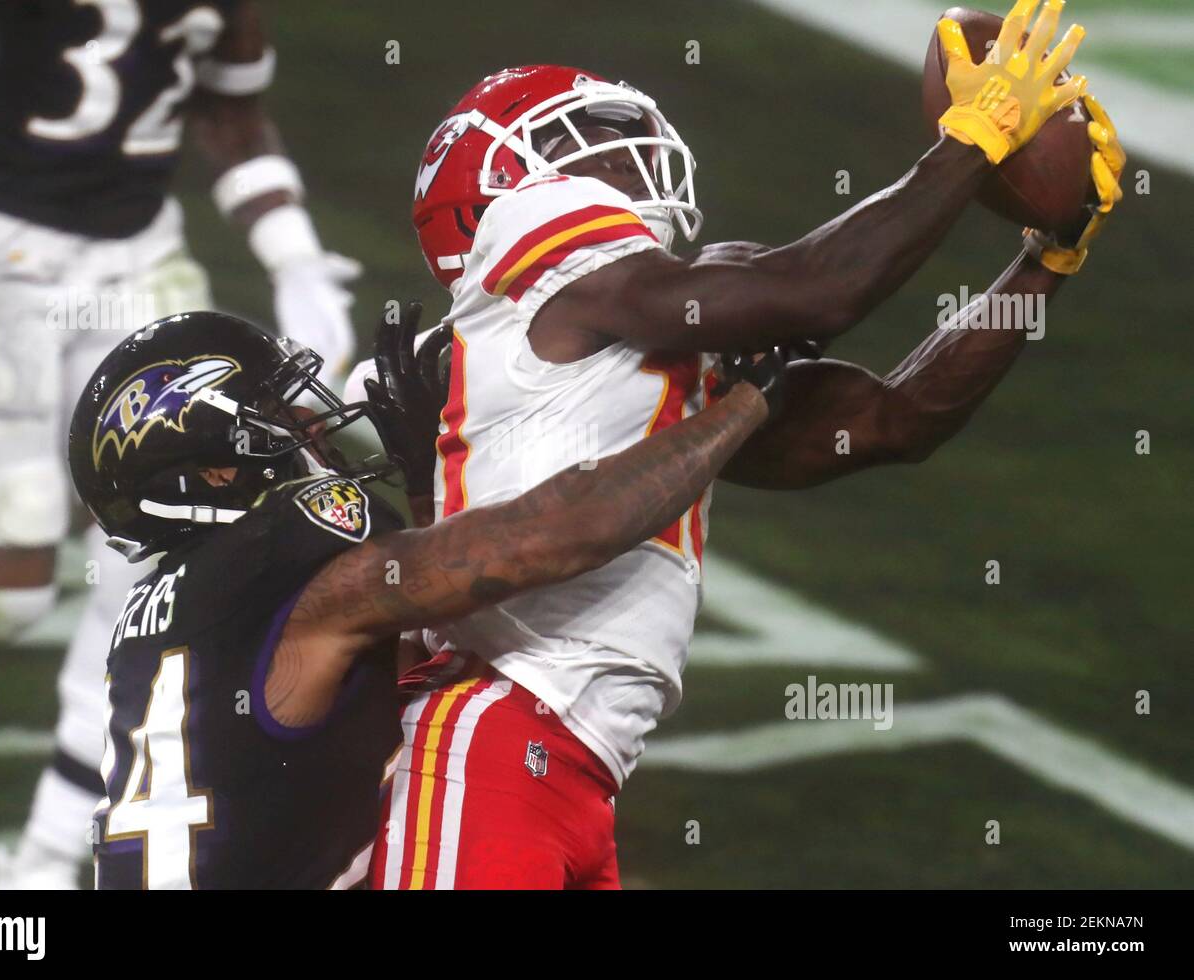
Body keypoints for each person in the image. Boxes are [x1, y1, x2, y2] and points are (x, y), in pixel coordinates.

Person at [368, 0, 1126, 887]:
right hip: (488, 732)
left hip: (575, 763)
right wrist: (975, 137)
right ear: (495, 191)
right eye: (585, 140)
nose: (621, 157)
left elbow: (894, 420)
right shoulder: (528, 240)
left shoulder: (643, 343)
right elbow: (812, 292)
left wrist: (1048, 256)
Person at [70, 305, 788, 888]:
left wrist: (424, 491)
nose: (312, 429)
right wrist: (746, 405)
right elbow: (560, 536)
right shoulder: (286, 553)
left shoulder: (166, 611)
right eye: (276, 418)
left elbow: (403, 647)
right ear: (217, 472)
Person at [0, 0, 361, 887]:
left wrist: (294, 252)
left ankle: (40, 861)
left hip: (139, 267)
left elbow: (228, 109)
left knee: (166, 548)